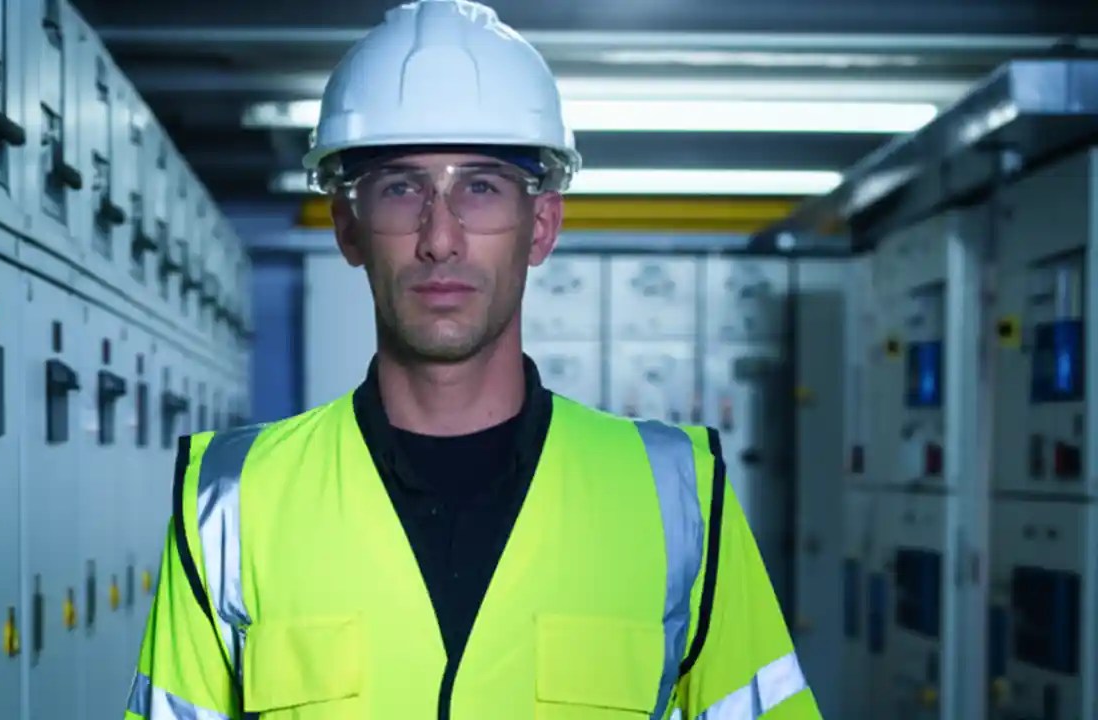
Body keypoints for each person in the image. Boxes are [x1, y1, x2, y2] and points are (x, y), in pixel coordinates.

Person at [124, 0, 821, 718]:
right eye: (401, 188)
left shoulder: (678, 494)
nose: (441, 238)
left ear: (541, 226)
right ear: (348, 227)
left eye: (480, 188)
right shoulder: (232, 500)